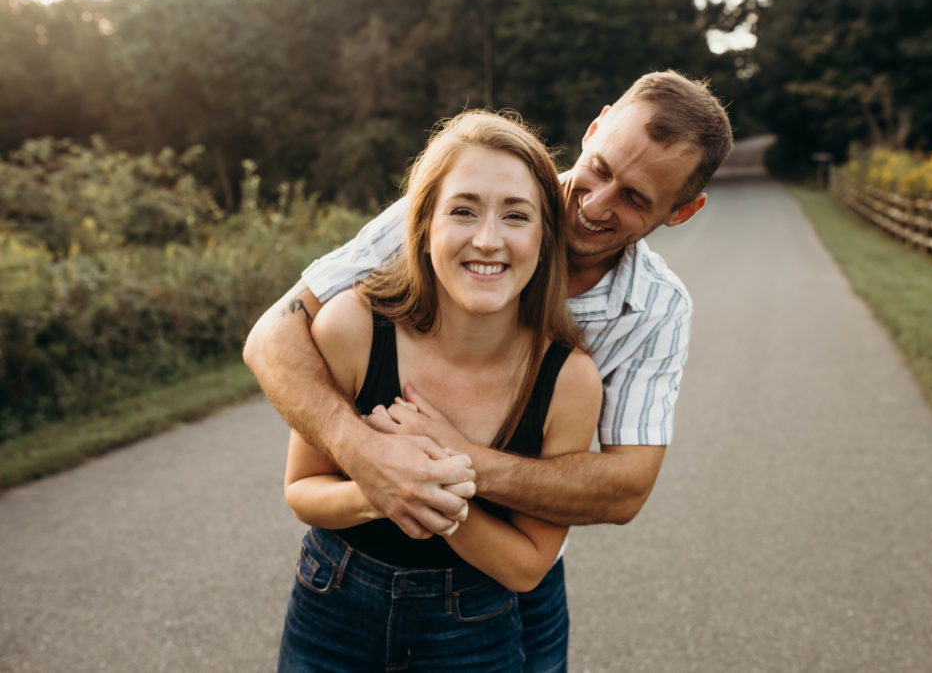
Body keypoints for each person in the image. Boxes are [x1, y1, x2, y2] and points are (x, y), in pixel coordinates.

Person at [246, 70, 733, 671]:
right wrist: (366, 458)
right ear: (595, 126)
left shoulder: (654, 311)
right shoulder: (462, 202)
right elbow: (274, 334)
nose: (596, 205)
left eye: (635, 198)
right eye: (600, 169)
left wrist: (445, 465)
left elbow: (625, 488)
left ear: (682, 212)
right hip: (343, 584)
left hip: (512, 574)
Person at [276, 109, 602, 671]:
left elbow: (528, 566)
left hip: (474, 628)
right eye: (463, 210)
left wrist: (438, 493)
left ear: (546, 238)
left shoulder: (569, 381)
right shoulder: (352, 327)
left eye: (516, 216)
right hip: (332, 606)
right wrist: (380, 488)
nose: (488, 239)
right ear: (424, 228)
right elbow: (303, 489)